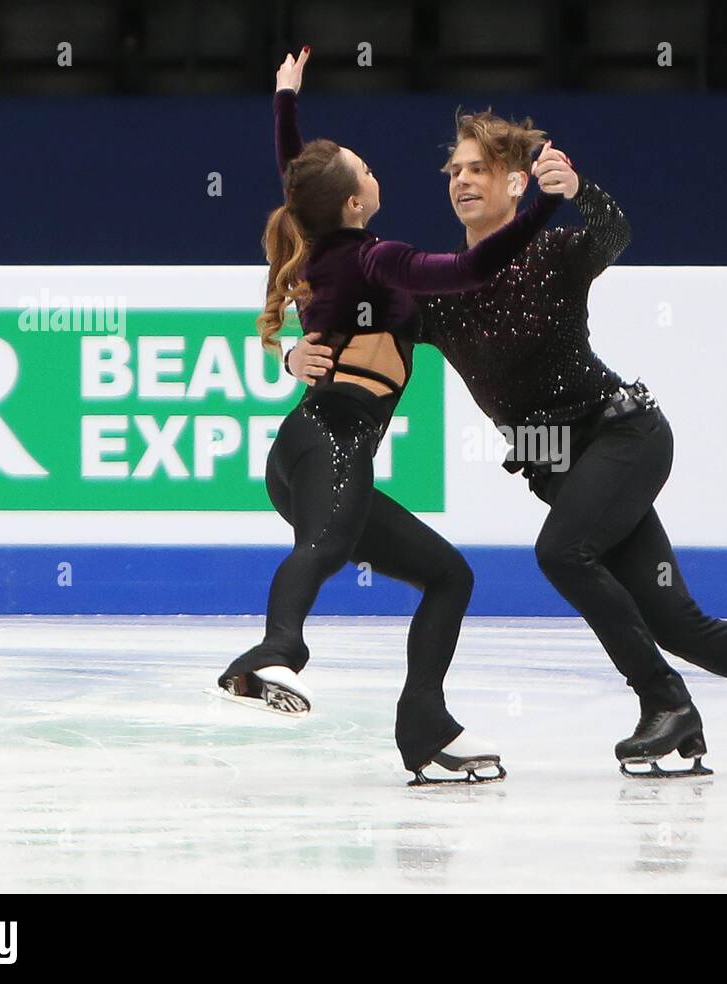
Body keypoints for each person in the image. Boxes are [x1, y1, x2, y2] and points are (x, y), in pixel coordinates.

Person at [280, 91, 727, 776]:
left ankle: (666, 702)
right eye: (454, 171)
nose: (461, 180)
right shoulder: (432, 291)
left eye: (478, 170)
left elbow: (613, 234)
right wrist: (293, 352)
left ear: (517, 184)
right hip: (567, 470)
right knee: (678, 622)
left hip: (624, 436)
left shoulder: (554, 252)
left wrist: (581, 190)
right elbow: (332, 266)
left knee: (563, 552)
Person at [218, 48, 561, 786]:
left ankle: (425, 729)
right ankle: (272, 655)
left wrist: (285, 98)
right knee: (326, 546)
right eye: (364, 169)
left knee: (448, 576)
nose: (376, 174)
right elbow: (468, 270)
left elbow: (295, 175)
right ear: (351, 203)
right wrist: (544, 208)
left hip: (316, 447)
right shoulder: (376, 260)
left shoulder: (322, 243)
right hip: (328, 441)